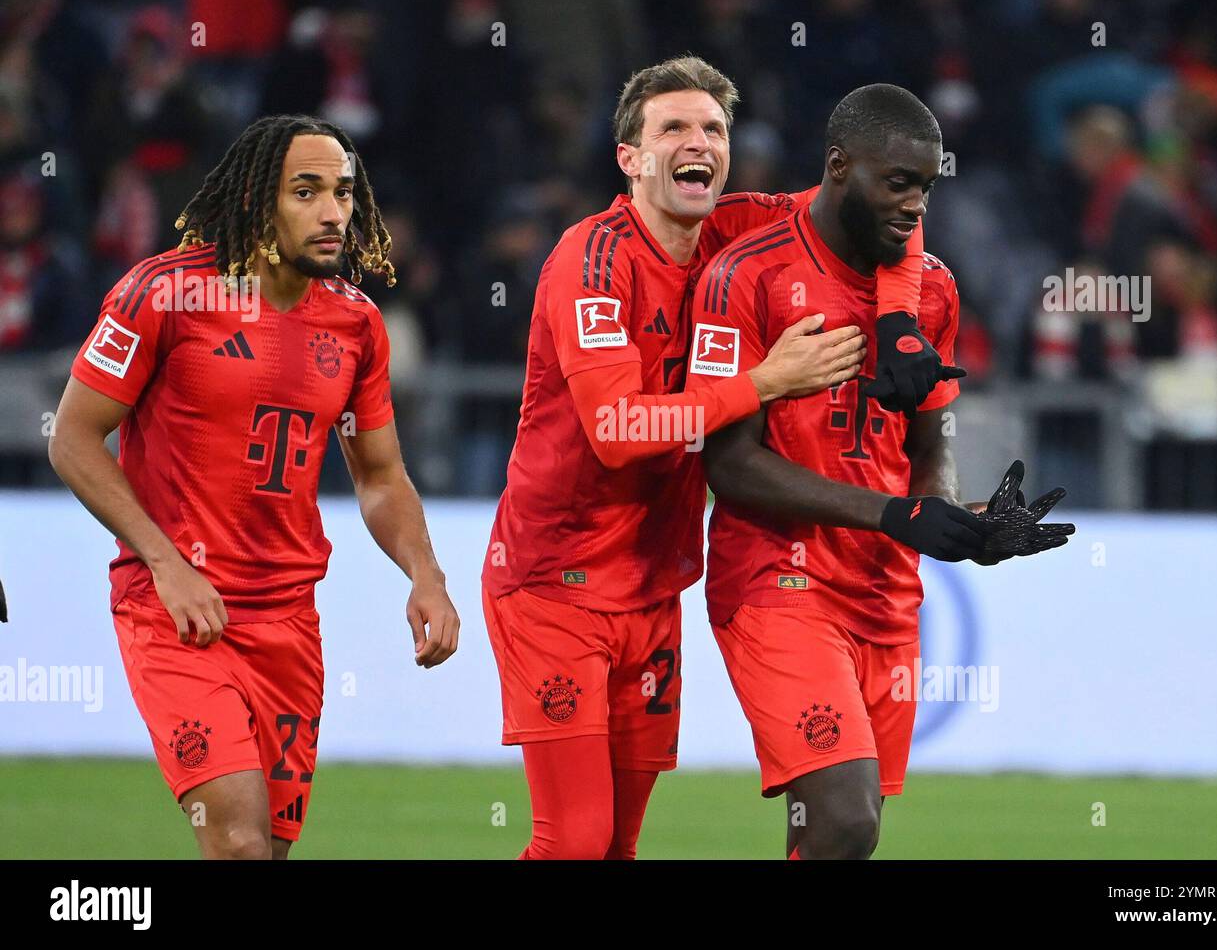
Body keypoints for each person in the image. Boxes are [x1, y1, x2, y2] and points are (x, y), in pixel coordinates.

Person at [481, 55, 951, 860]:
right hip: (555, 579)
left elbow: (889, 207)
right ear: (629, 156)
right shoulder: (591, 258)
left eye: (713, 129)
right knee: (575, 841)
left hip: (653, 579)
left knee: (618, 845)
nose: (697, 142)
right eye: (673, 128)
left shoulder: (736, 226)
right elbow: (616, 430)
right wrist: (764, 382)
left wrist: (900, 320)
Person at [48, 114, 459, 859]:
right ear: (253, 203)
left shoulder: (357, 323)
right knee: (236, 842)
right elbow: (72, 438)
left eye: (342, 191)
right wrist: (164, 563)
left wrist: (425, 572)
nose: (335, 211)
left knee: (265, 851)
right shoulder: (164, 293)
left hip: (288, 623)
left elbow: (379, 474)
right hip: (175, 612)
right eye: (307, 192)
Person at [688, 84, 1074, 859]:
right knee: (845, 819)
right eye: (898, 183)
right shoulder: (743, 275)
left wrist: (953, 523)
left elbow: (927, 443)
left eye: (926, 187)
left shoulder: (931, 286)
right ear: (838, 166)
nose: (914, 204)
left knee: (835, 839)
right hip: (777, 580)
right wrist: (896, 515)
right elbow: (729, 466)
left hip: (884, 592)